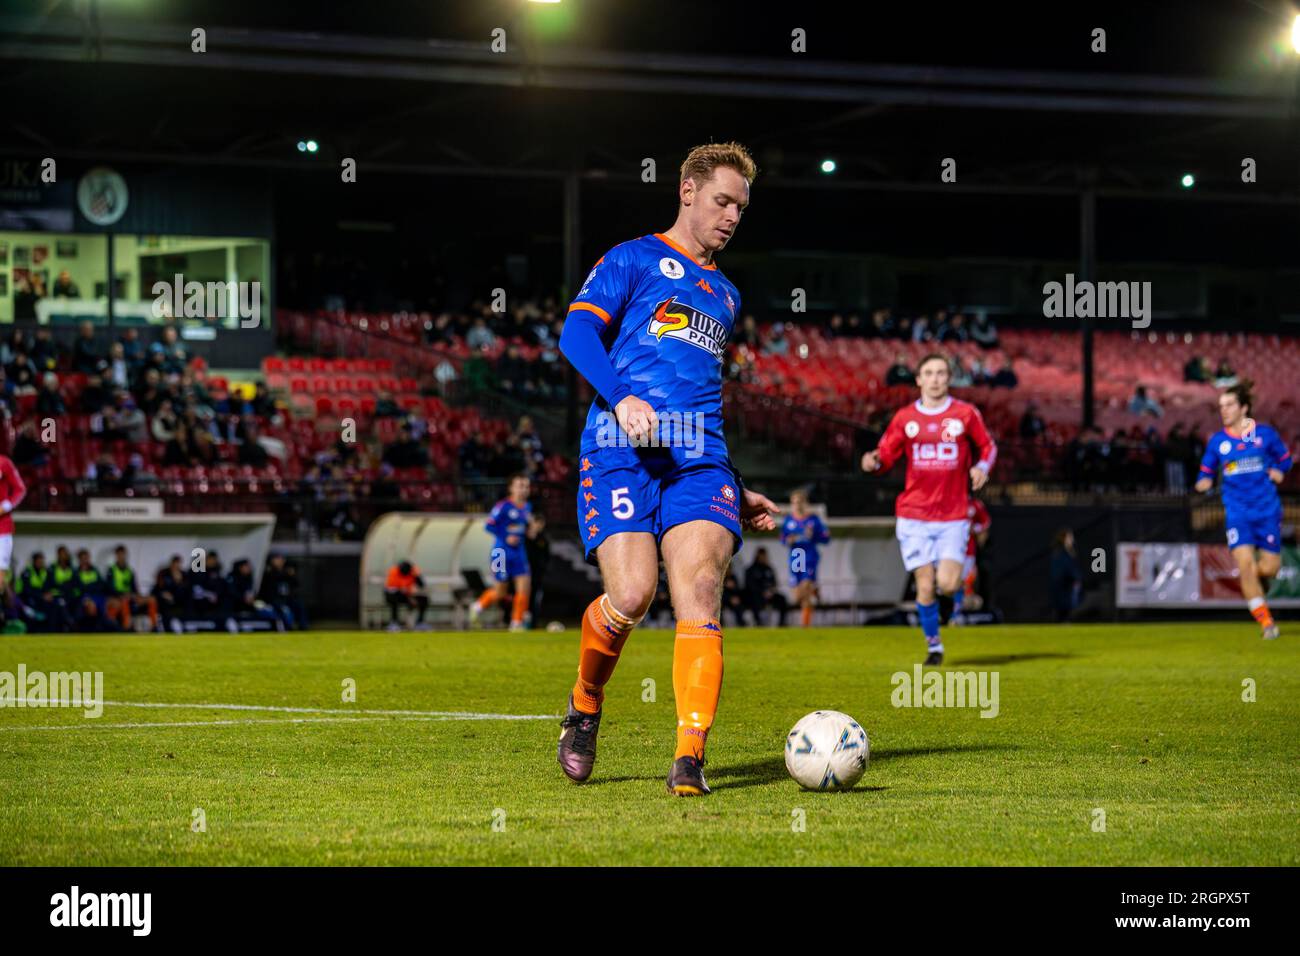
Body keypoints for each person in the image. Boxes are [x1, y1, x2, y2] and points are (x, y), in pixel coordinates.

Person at [554, 141, 778, 796]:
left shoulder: (727, 295)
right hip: (618, 449)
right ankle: (586, 702)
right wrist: (622, 397)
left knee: (701, 587)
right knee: (630, 596)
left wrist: (734, 482)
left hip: (698, 461)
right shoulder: (632, 258)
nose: (732, 216)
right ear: (686, 190)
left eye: (741, 206)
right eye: (722, 201)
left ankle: (689, 756)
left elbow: (704, 392)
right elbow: (575, 335)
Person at [861, 352, 997, 664]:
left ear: (949, 379)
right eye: (929, 373)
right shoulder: (905, 418)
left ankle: (947, 600)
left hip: (953, 515)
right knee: (924, 584)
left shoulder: (965, 414)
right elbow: (885, 454)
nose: (935, 379)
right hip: (914, 514)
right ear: (919, 379)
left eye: (941, 373)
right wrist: (873, 461)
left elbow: (988, 446)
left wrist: (981, 467)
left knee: (948, 583)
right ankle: (934, 646)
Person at [1194, 381, 1291, 640]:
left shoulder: (1266, 435)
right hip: (1238, 514)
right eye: (1220, 406)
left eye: (1228, 405)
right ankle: (1267, 624)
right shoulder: (1217, 442)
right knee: (1245, 566)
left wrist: (1279, 472)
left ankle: (1260, 582)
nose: (1223, 410)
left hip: (1267, 511)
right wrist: (1203, 482)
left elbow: (1285, 459)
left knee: (1269, 568)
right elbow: (1205, 472)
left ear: (1244, 407)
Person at [469, 474, 535, 631]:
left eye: (526, 486)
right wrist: (506, 536)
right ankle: (477, 607)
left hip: (518, 552)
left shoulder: (527, 507)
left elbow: (521, 527)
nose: (523, 490)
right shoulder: (503, 506)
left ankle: (516, 623)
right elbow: (489, 526)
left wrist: (530, 530)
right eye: (520, 486)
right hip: (500, 553)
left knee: (525, 586)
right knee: (500, 592)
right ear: (511, 488)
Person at [780, 490, 830, 627]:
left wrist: (814, 535)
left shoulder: (813, 520)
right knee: (797, 597)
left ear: (805, 503)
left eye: (800, 502)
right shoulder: (788, 520)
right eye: (794, 502)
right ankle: (814, 590)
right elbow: (783, 539)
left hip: (809, 557)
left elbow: (826, 538)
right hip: (796, 558)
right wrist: (788, 540)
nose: (797, 505)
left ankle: (805, 626)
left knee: (805, 588)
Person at [951, 496, 991, 624]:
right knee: (947, 583)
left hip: (968, 551)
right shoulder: (949, 500)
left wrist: (974, 529)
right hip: (949, 549)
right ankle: (948, 612)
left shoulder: (974, 504)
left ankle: (956, 614)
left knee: (963, 582)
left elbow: (985, 522)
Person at [104, 545, 159, 632]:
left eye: (123, 554)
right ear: (116, 556)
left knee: (152, 599)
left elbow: (134, 587)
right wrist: (121, 595)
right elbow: (109, 588)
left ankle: (154, 627)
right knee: (124, 600)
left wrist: (137, 595)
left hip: (130, 596)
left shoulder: (130, 570)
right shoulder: (111, 570)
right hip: (118, 597)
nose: (121, 556)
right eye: (119, 554)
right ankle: (127, 627)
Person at [259, 552, 307, 630]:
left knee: (299, 605)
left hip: (287, 599)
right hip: (274, 601)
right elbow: (267, 592)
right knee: (285, 610)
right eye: (277, 559)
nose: (280, 561)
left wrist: (291, 575)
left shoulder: (286, 572)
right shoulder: (269, 573)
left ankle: (303, 627)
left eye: (281, 559)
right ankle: (288, 627)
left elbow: (295, 584)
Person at [743, 547, 788, 626]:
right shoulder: (750, 570)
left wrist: (771, 591)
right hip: (756, 595)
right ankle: (758, 622)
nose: (763, 558)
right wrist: (762, 592)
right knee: (754, 599)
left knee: (782, 599)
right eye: (762, 556)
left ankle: (782, 623)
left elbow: (774, 583)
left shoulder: (769, 569)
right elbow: (749, 586)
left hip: (769, 595)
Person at [0, 454, 26, 589]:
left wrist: (5, 507)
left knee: (1, 572)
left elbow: (20, 489)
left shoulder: (4, 463)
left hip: (2, 528)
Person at [1048, 529, 1082, 622]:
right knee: (1062, 614)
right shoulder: (1060, 554)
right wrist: (1073, 578)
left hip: (1067, 588)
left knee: (1065, 614)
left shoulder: (1068, 553)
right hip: (1063, 588)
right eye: (1069, 538)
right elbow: (1061, 572)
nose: (1072, 540)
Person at [384, 560, 429, 630]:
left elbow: (421, 585)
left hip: (408, 595)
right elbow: (393, 590)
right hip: (394, 595)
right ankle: (394, 622)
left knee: (424, 599)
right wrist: (410, 598)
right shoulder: (393, 571)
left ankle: (420, 622)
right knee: (394, 599)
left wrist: (417, 575)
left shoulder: (413, 571)